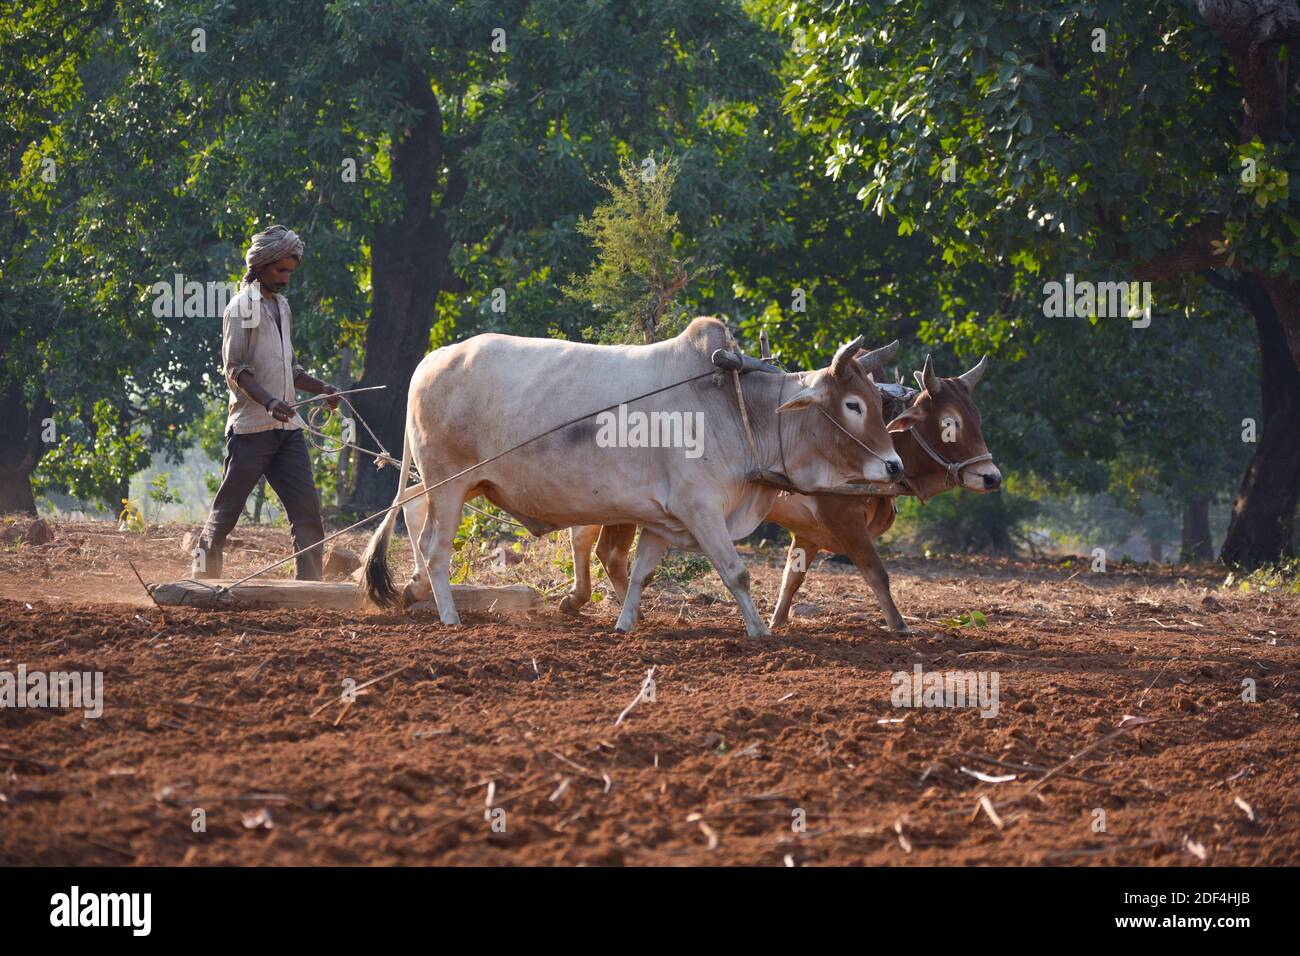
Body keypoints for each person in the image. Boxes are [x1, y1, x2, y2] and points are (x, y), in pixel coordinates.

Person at [193, 225, 338, 580]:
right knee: (226, 512)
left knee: (306, 513)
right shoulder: (241, 307)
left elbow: (291, 367)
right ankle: (202, 578)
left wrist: (321, 388)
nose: (286, 278)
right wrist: (271, 402)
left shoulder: (282, 307)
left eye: (290, 271)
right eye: (280, 271)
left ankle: (310, 591)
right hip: (252, 430)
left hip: (288, 430)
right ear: (260, 266)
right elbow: (236, 370)